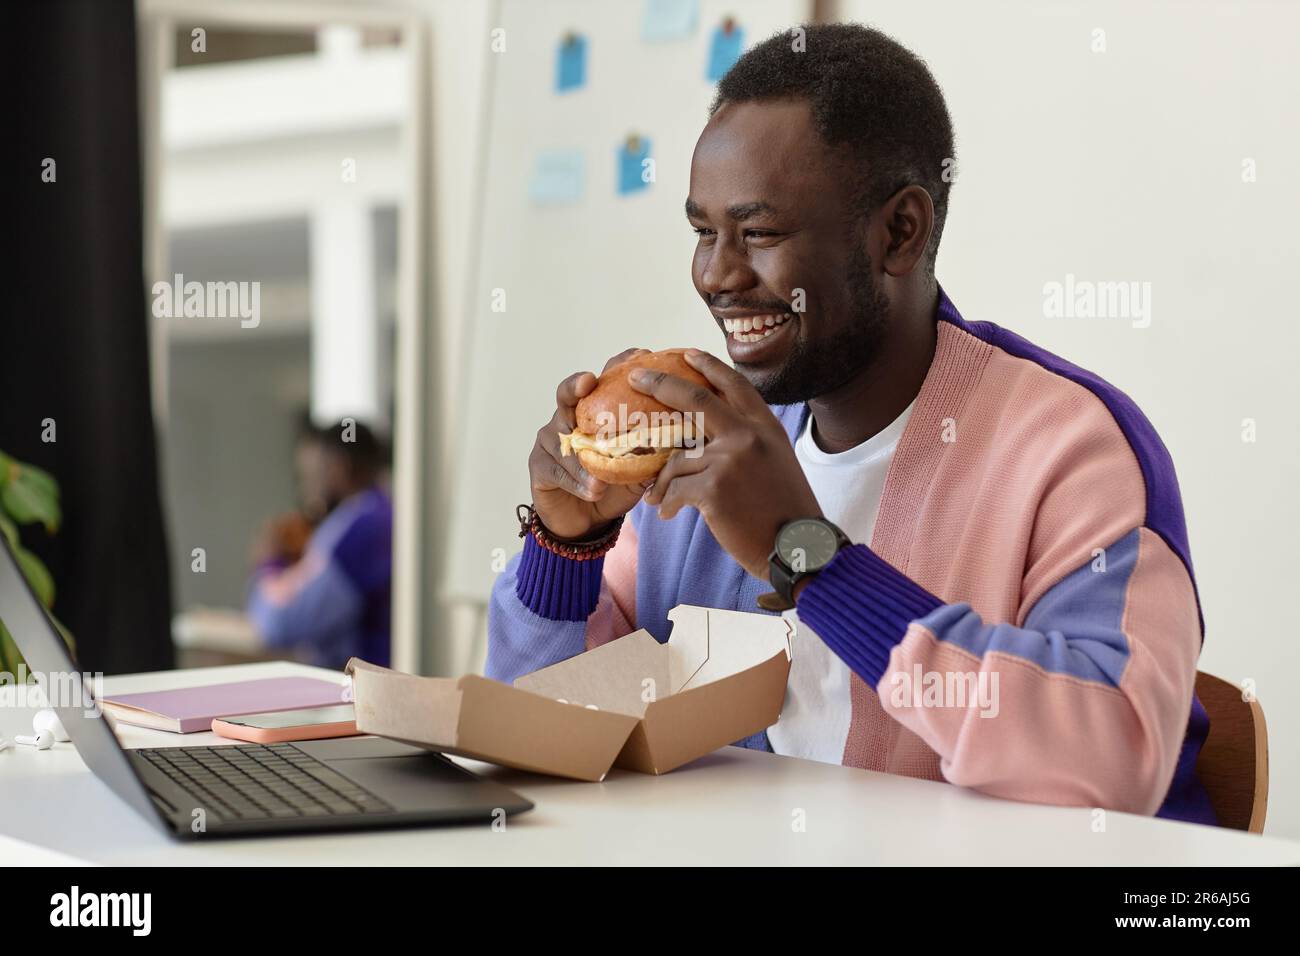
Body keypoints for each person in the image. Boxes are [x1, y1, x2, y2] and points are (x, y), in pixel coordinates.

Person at [486, 24, 1215, 824]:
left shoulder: (1070, 450)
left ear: (899, 232)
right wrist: (568, 549)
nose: (715, 275)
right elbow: (549, 736)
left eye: (758, 233)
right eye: (703, 231)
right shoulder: (704, 437)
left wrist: (805, 555)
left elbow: (1114, 764)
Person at [248, 418, 392, 669]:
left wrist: (270, 564)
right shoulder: (380, 511)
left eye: (313, 474)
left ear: (340, 467)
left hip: (362, 690)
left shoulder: (360, 529)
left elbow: (279, 625)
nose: (307, 489)